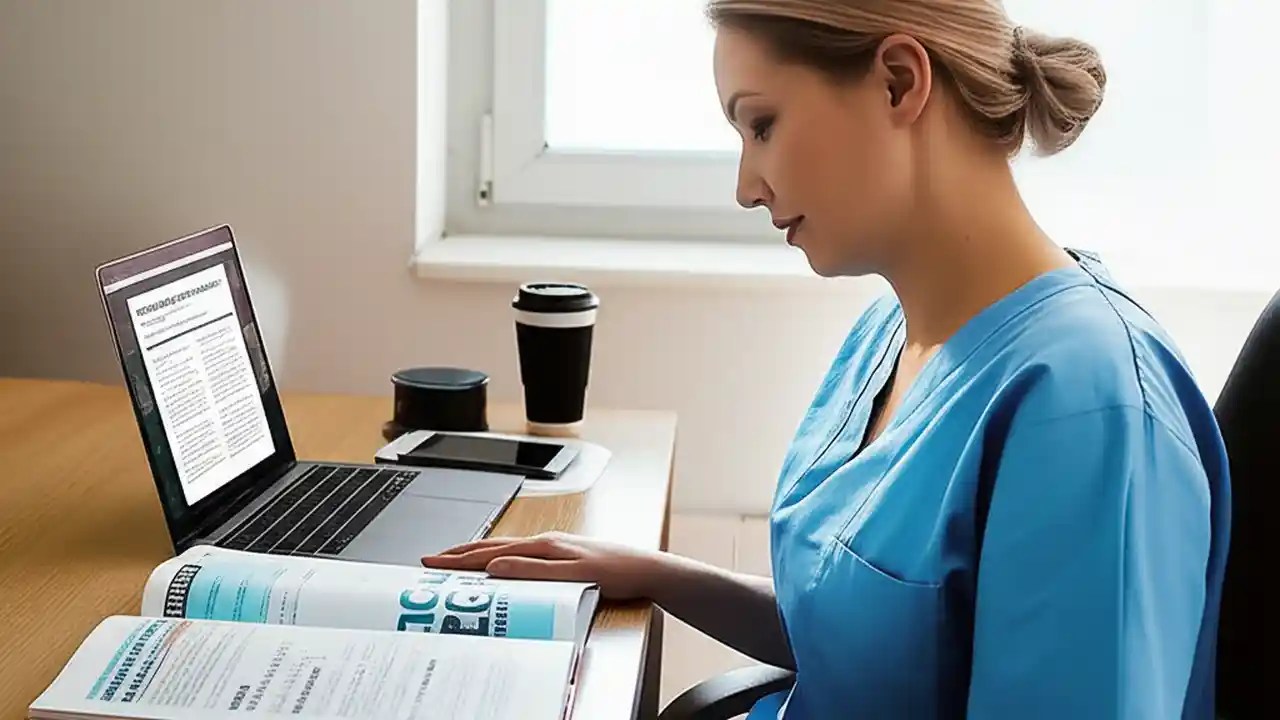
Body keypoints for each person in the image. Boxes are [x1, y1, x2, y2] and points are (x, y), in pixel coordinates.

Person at [423, 1, 1232, 717]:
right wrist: (658, 572)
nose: (747, 185)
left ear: (897, 83)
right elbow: (876, 637)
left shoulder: (1090, 412)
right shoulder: (892, 332)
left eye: (762, 125)